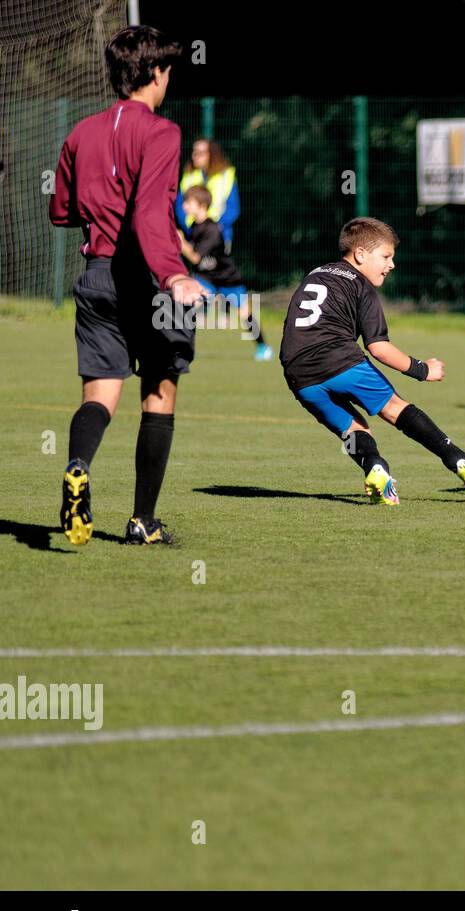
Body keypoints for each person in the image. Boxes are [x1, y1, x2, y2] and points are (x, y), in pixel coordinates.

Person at [48, 25, 207, 546]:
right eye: (169, 72)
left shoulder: (80, 132)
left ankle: (77, 466)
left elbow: (62, 211)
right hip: (148, 278)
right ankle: (142, 521)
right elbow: (147, 214)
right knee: (159, 390)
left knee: (99, 395)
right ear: (156, 73)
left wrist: (99, 226)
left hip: (97, 275)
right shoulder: (162, 132)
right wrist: (174, 273)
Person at [280, 217, 465, 504]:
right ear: (360, 255)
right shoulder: (361, 285)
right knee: (393, 408)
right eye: (386, 256)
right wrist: (422, 369)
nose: (391, 265)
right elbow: (378, 347)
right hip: (341, 361)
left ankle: (375, 468)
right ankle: (458, 459)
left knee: (354, 430)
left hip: (299, 377)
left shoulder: (315, 274)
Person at [177, 186, 272, 360]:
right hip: (206, 278)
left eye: (188, 202)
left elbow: (196, 257)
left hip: (228, 278)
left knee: (244, 314)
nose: (184, 206)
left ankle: (263, 348)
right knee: (188, 307)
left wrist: (181, 243)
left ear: (202, 205)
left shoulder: (212, 229)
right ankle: (181, 350)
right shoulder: (194, 226)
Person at [176, 138, 239, 250]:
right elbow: (180, 206)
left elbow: (233, 209)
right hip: (193, 235)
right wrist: (190, 227)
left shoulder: (225, 176)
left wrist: (215, 227)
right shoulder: (189, 176)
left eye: (200, 153)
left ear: (212, 154)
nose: (194, 155)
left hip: (220, 236)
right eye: (194, 152)